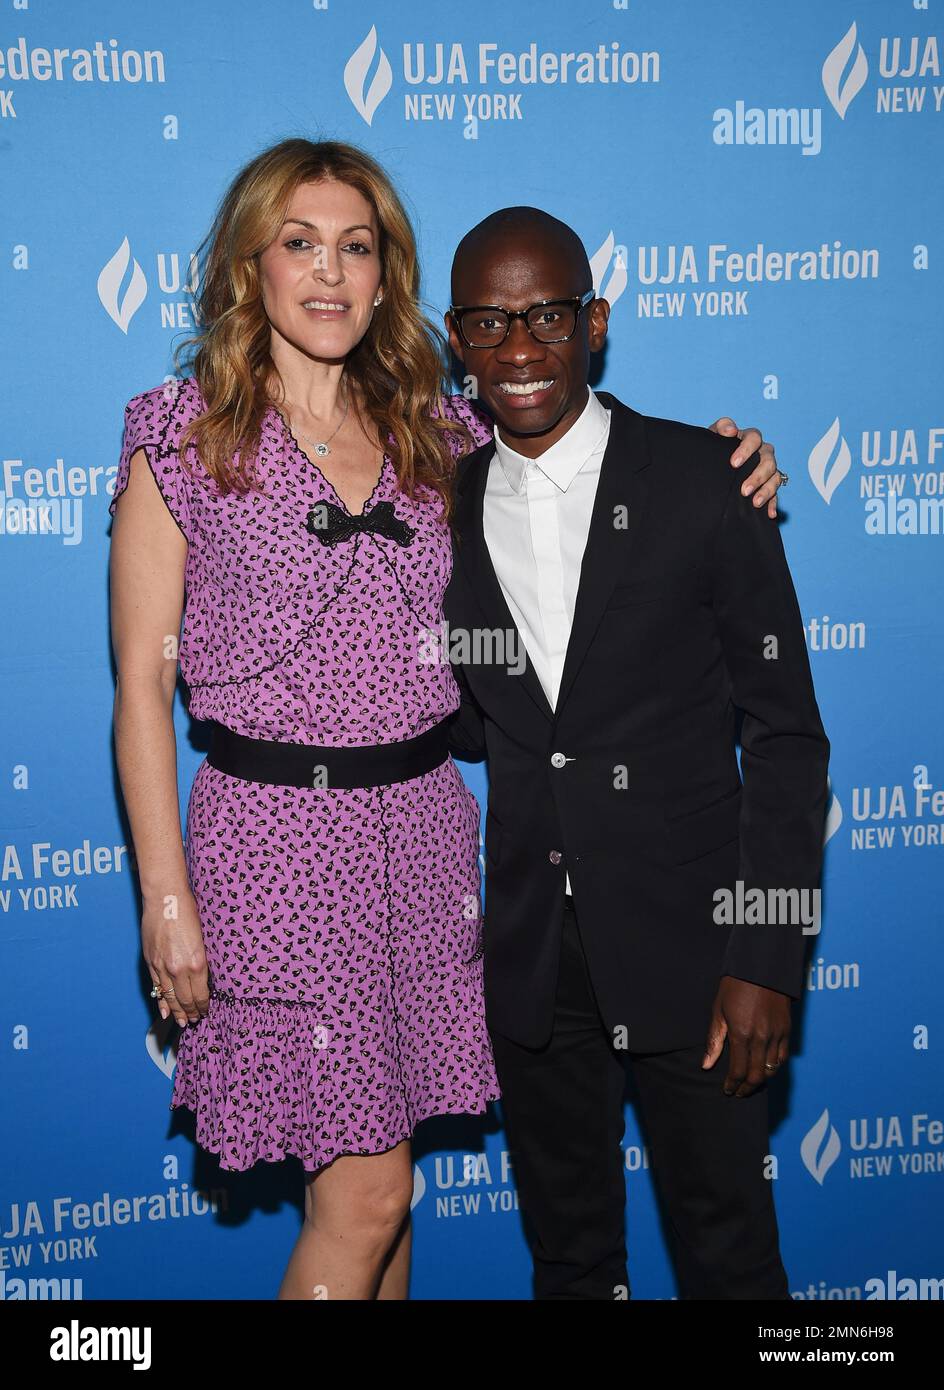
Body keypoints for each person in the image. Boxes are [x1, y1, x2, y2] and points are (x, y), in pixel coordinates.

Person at [108, 139, 784, 1302]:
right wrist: (165, 901)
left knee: (387, 1199)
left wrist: (731, 465)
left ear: (387, 277)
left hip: (426, 844)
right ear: (248, 267)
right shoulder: (181, 436)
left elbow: (582, 451)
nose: (329, 272)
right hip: (274, 848)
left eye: (356, 247)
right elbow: (137, 690)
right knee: (364, 1198)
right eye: (298, 243)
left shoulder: (442, 438)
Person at [443, 206, 829, 1300]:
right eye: (486, 322)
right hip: (532, 965)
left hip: (699, 960)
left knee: (731, 1262)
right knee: (569, 1265)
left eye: (546, 317)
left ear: (594, 322)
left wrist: (762, 959)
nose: (518, 350)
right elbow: (478, 712)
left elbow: (788, 741)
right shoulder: (445, 499)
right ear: (454, 340)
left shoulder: (705, 479)